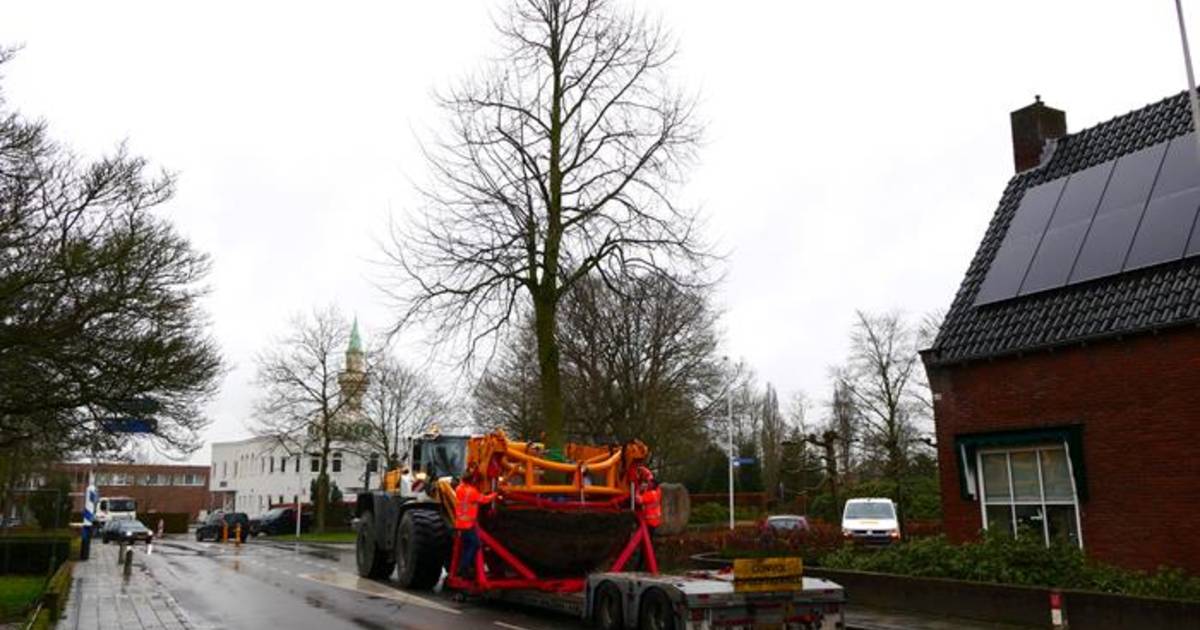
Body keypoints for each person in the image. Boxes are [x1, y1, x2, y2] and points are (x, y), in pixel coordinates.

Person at [454, 472, 496, 578]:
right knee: (475, 544)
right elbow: (484, 500)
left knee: (467, 545)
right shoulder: (471, 491)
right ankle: (464, 567)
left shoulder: (459, 489)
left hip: (460, 522)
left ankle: (464, 566)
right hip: (468, 524)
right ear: (473, 481)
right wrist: (495, 494)